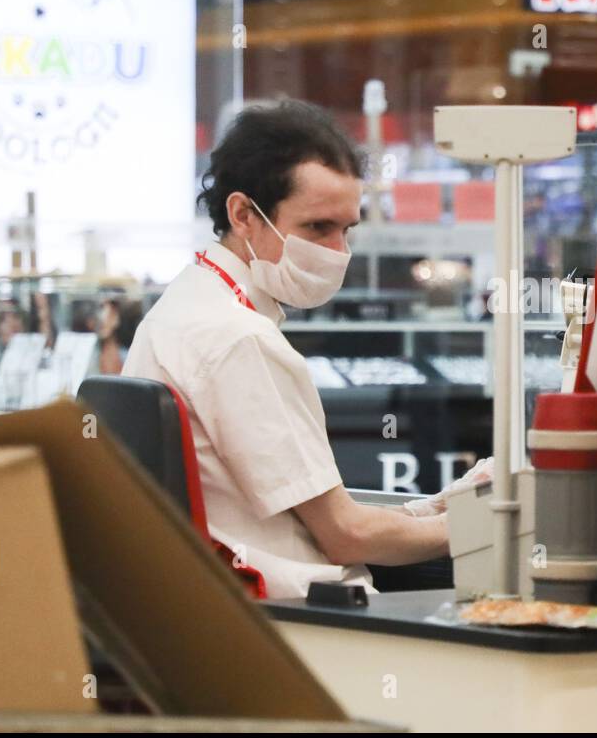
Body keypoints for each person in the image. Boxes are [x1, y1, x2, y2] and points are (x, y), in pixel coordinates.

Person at [124, 100, 488, 598]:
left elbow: (313, 514)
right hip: (301, 615)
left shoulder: (183, 307)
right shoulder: (240, 341)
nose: (338, 253)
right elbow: (345, 536)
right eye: (318, 228)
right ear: (243, 214)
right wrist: (495, 523)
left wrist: (442, 507)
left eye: (347, 229)